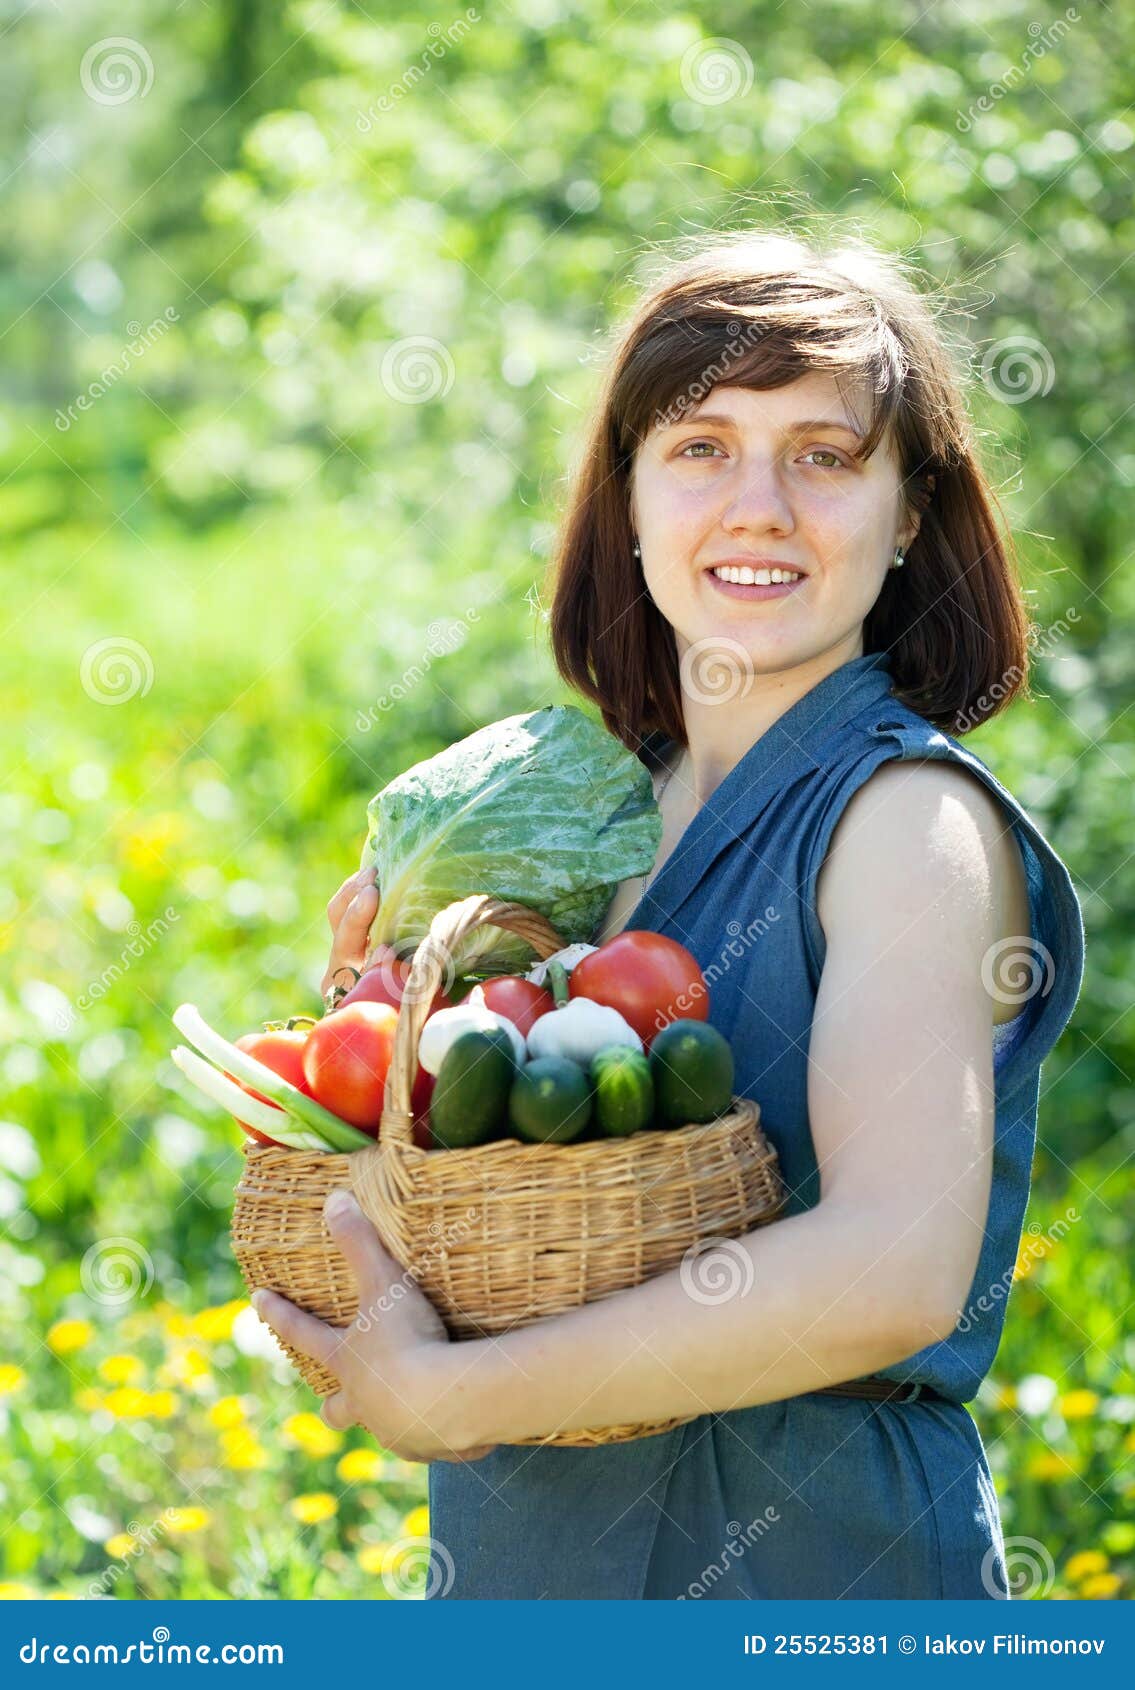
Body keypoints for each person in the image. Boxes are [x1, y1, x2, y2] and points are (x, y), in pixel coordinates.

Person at [255, 226, 1085, 1600]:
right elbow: (502, 1203)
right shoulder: (586, 823)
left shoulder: (904, 824)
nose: (757, 504)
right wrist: (375, 1036)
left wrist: (463, 1398)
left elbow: (895, 1269)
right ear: (629, 497)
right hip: (535, 1572)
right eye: (700, 447)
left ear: (911, 513)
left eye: (825, 454)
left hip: (809, 1583)